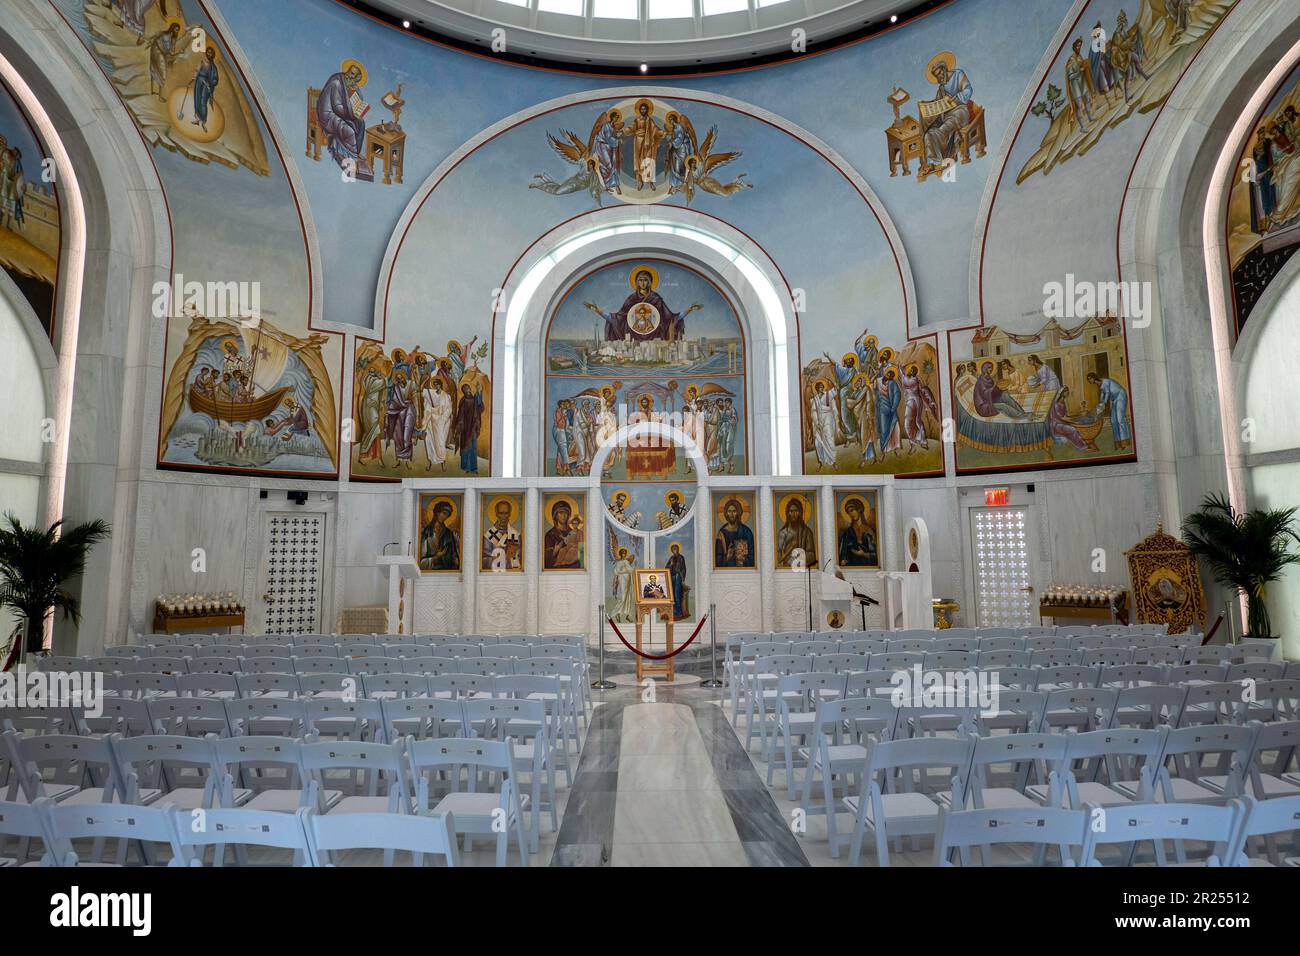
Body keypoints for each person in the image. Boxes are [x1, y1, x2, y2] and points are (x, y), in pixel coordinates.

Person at [316, 62, 370, 174]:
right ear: (348, 72)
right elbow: (337, 107)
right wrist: (352, 114)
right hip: (328, 114)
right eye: (351, 74)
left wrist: (355, 90)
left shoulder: (346, 82)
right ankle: (350, 159)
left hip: (340, 113)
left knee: (361, 123)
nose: (351, 78)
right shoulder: (336, 82)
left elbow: (354, 100)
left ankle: (355, 151)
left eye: (355, 78)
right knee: (349, 130)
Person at [922, 53, 975, 168]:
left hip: (960, 112)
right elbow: (938, 104)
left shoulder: (958, 75)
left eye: (941, 73)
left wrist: (955, 99)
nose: (940, 77)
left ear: (945, 69)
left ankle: (940, 160)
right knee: (928, 134)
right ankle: (935, 161)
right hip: (947, 116)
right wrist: (928, 108)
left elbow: (968, 90)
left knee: (943, 130)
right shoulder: (941, 88)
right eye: (937, 76)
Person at [1086, 371, 1132, 450]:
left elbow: (1107, 393)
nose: (1089, 380)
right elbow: (1102, 394)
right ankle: (1118, 443)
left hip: (1120, 395)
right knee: (1113, 421)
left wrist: (1103, 403)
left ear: (1094, 377)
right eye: (1088, 379)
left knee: (1120, 419)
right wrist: (1100, 403)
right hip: (1114, 400)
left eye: (1090, 378)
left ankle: (1125, 441)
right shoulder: (1099, 385)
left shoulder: (1105, 381)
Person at [776, 496, 817, 569]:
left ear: (800, 512)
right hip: (786, 569)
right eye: (791, 511)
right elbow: (778, 559)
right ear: (787, 513)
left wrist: (800, 558)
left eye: (796, 511)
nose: (793, 514)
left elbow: (812, 555)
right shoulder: (783, 533)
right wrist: (790, 548)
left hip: (802, 568)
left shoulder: (807, 532)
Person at [1065, 37, 1096, 133]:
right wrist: (1080, 71)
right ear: (1074, 47)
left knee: (1087, 99)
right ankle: (1082, 126)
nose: (1079, 47)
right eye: (1078, 46)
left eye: (1080, 46)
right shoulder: (1071, 60)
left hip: (1082, 83)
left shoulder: (1079, 57)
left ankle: (1090, 116)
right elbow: (1070, 76)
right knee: (1079, 106)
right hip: (1075, 86)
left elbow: (1083, 66)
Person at [450, 383, 483, 474]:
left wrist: (479, 393)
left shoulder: (475, 399)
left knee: (473, 447)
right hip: (465, 429)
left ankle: (474, 468)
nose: (467, 390)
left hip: (473, 428)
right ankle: (466, 467)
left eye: (468, 388)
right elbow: (460, 415)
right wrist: (459, 426)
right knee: (466, 447)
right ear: (464, 391)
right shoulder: (463, 401)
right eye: (465, 389)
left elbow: (480, 408)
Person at [481, 498, 522, 571]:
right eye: (501, 513)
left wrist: (507, 557)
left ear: (509, 514)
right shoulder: (489, 535)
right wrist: (497, 558)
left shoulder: (515, 535)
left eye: (506, 513)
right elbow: (483, 559)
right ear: (496, 514)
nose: (503, 516)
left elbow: (519, 558)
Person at [419, 500, 460, 572]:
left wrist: (456, 561)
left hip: (446, 570)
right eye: (444, 513)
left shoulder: (448, 534)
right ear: (437, 512)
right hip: (430, 570)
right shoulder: (426, 532)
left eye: (447, 515)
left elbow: (454, 555)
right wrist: (436, 557)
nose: (445, 517)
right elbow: (420, 563)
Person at [715, 497, 755, 568]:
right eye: (729, 511)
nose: (731, 514)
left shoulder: (746, 532)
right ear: (726, 513)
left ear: (738, 512)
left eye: (734, 511)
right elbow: (718, 559)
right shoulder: (721, 534)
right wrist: (727, 557)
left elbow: (752, 556)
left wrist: (743, 558)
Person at [837, 497, 878, 567]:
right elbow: (843, 552)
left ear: (859, 509)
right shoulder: (848, 532)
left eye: (852, 510)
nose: (850, 514)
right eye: (848, 512)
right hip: (851, 566)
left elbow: (876, 555)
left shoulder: (869, 531)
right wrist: (843, 560)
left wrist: (863, 554)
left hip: (867, 568)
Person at [420, 377, 451, 468]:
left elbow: (449, 409)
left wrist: (443, 418)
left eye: (437, 384)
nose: (436, 386)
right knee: (430, 441)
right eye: (434, 385)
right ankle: (430, 461)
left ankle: (442, 461)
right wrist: (425, 380)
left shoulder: (446, 396)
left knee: (440, 442)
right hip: (431, 420)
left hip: (441, 421)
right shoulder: (431, 394)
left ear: (441, 385)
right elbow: (427, 408)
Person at [543, 500, 583, 570]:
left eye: (566, 513)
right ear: (555, 515)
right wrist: (555, 551)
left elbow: (582, 552)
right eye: (561, 513)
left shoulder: (574, 532)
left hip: (574, 567)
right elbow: (545, 561)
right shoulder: (550, 535)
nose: (564, 515)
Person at [810, 380, 840, 469]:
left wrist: (835, 385)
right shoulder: (815, 399)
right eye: (819, 387)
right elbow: (813, 411)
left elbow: (834, 391)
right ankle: (820, 461)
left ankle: (833, 461)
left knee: (829, 439)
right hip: (819, 422)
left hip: (828, 419)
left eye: (822, 387)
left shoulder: (828, 395)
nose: (821, 388)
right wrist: (817, 422)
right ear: (817, 389)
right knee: (818, 442)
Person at [190, 47, 219, 134]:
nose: (209, 54)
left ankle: (203, 121)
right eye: (208, 52)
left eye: (211, 53)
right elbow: (197, 70)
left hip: (206, 86)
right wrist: (193, 78)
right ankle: (197, 119)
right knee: (197, 99)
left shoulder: (213, 67)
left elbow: (215, 79)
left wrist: (210, 83)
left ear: (213, 55)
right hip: (199, 82)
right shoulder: (202, 62)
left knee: (203, 102)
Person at [610, 547, 637, 622]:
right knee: (623, 597)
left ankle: (626, 614)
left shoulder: (624, 562)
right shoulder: (622, 562)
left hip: (627, 579)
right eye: (622, 553)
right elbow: (617, 571)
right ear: (620, 554)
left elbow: (628, 570)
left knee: (627, 597)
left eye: (624, 553)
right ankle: (616, 613)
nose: (623, 555)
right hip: (623, 580)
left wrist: (625, 569)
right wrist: (632, 566)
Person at [666, 544, 689, 621]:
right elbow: (666, 568)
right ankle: (674, 611)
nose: (674, 551)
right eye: (673, 549)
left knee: (677, 594)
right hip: (671, 577)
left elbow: (683, 568)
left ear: (678, 550)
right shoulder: (671, 558)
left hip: (677, 577)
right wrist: (671, 565)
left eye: (676, 549)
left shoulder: (681, 557)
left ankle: (679, 612)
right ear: (672, 551)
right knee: (672, 594)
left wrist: (682, 578)